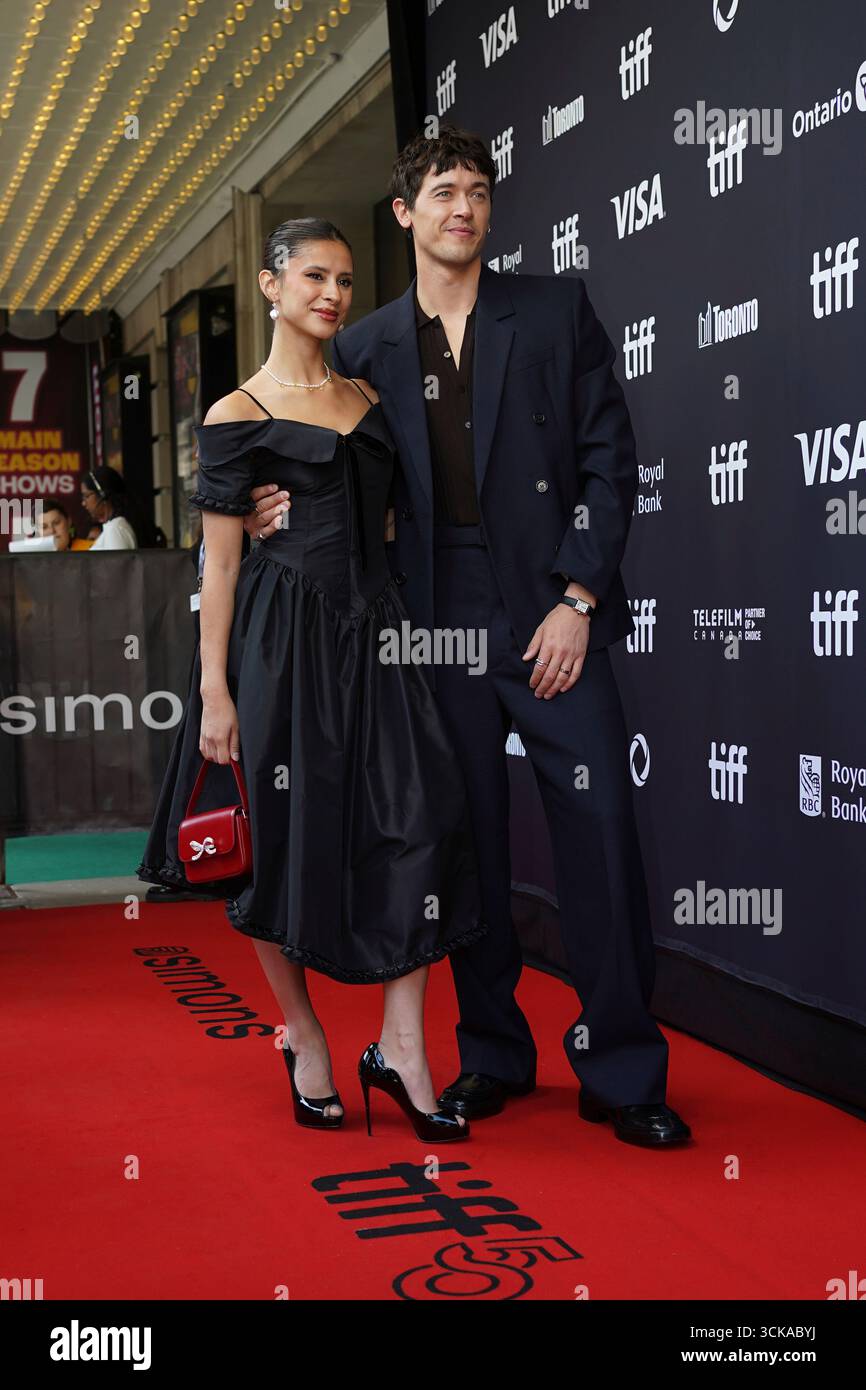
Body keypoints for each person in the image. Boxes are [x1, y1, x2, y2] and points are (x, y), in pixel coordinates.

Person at [248, 128, 691, 1148]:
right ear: (403, 214)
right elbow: (323, 475)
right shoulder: (362, 350)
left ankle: (622, 1068)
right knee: (462, 846)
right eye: (443, 192)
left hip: (545, 606)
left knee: (602, 834)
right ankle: (491, 1050)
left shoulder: (550, 310)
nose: (464, 208)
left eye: (478, 192)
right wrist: (268, 510)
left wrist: (577, 597)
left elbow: (605, 462)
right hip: (428, 620)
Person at [137, 217, 486, 1143]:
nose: (331, 293)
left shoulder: (371, 397)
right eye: (312, 277)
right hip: (279, 646)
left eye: (342, 280)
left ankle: (403, 1047)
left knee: (423, 819)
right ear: (270, 285)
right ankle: (304, 1035)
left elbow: (386, 528)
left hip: (378, 639)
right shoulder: (234, 417)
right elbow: (217, 566)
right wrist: (214, 689)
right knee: (278, 843)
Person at [80, 466, 140, 549]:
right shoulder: (114, 527)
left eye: (86, 496)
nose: (83, 503)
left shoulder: (115, 529)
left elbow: (117, 562)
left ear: (103, 495)